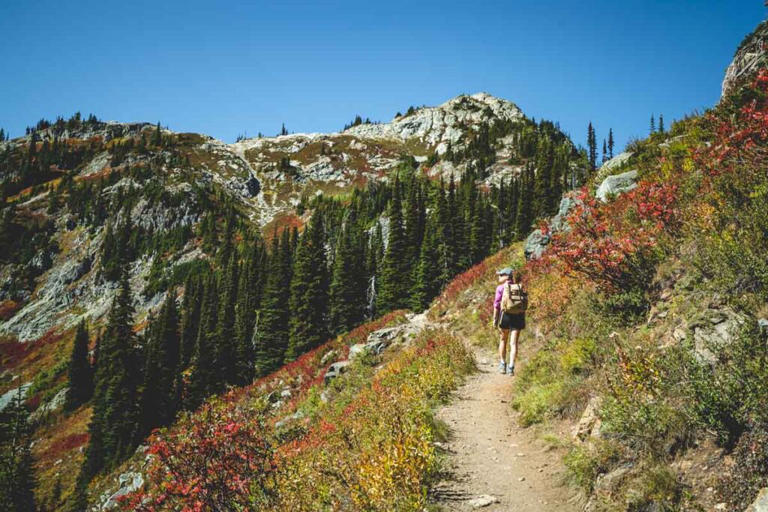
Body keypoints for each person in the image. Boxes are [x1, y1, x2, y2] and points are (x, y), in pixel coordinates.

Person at [492, 267, 526, 375]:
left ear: (507, 276)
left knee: (503, 340)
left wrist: (495, 320)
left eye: (501, 275)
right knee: (513, 343)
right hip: (518, 316)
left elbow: (496, 305)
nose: (499, 276)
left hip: (505, 316)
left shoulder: (500, 288)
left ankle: (503, 364)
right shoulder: (519, 287)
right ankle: (511, 367)